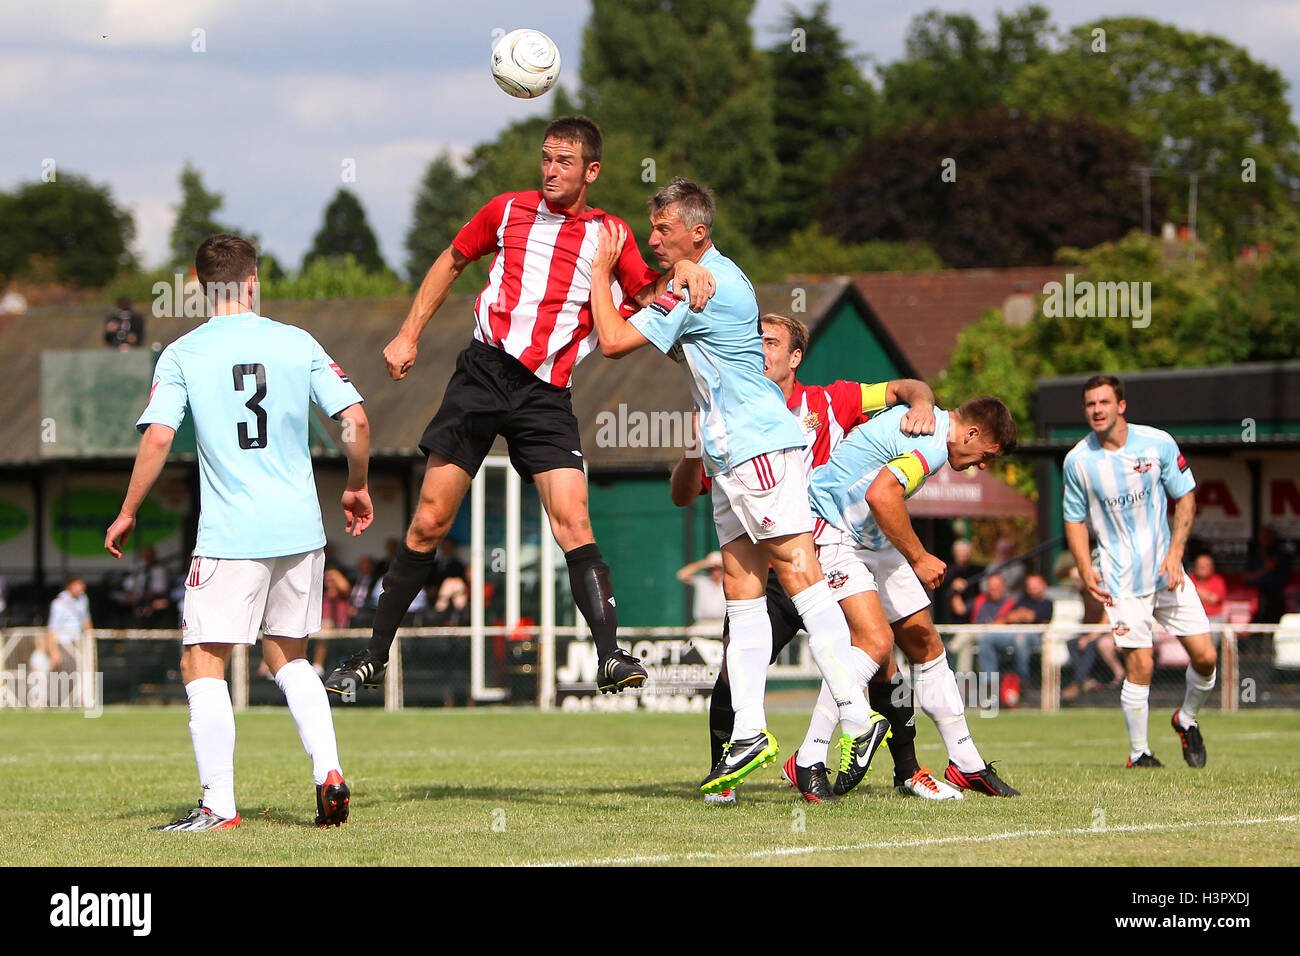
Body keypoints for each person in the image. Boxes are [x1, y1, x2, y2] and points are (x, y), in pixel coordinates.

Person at [325, 116, 717, 699]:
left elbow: (651, 299)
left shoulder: (610, 234)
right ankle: (373, 654)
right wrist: (409, 334)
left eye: (565, 162)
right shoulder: (506, 209)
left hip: (546, 393)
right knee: (429, 520)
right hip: (482, 375)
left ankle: (610, 655)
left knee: (573, 521)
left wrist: (685, 266)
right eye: (546, 158)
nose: (551, 170)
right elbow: (452, 260)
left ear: (592, 171)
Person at [589, 178, 884, 797]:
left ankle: (857, 717)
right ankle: (749, 730)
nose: (652, 239)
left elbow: (614, 343)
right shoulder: (705, 277)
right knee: (742, 595)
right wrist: (668, 277)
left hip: (758, 446)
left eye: (663, 229)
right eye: (651, 229)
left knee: (799, 575)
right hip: (730, 456)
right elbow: (677, 344)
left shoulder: (707, 283)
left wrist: (600, 267)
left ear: (697, 232)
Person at [104, 234, 374, 831]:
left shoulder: (181, 353)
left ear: (200, 287)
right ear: (253, 281)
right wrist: (356, 483)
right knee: (289, 658)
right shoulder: (296, 341)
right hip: (301, 530)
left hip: (231, 533)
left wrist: (127, 511)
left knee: (203, 660)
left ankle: (218, 806)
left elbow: (157, 436)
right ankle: (328, 771)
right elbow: (353, 417)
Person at [671, 314, 959, 803]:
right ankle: (723, 776)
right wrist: (693, 454)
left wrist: (925, 403)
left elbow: (904, 388)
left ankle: (906, 770)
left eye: (770, 342)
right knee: (736, 665)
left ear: (795, 356)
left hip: (823, 554)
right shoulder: (728, 417)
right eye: (753, 341)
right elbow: (682, 494)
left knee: (880, 654)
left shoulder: (830, 400)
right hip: (768, 575)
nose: (758, 350)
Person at [797, 395, 1023, 797]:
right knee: (873, 644)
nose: (984, 465)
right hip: (834, 532)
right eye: (986, 454)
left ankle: (966, 762)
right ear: (970, 433)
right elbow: (882, 495)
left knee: (925, 641)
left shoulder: (930, 423)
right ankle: (809, 756)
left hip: (872, 537)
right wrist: (919, 557)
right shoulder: (935, 445)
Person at [1063, 374, 1217, 769]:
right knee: (1141, 664)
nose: (1096, 410)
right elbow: (1075, 520)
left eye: (1104, 402)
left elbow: (1185, 498)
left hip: (1168, 573)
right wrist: (1084, 567)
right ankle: (1139, 754)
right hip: (1120, 580)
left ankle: (1186, 719)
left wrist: (1175, 553)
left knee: (1206, 659)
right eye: (1090, 405)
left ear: (1121, 405)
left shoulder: (1158, 443)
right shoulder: (1078, 461)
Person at [979, 573, 1053, 708]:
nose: (1033, 589)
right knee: (986, 638)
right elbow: (1010, 617)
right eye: (1030, 586)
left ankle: (1022, 681)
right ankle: (990, 683)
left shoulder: (1047, 603)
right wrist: (1021, 615)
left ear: (1043, 585)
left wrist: (1022, 615)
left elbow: (1034, 618)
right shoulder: (1022, 600)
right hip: (1013, 634)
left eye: (1036, 586)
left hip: (1036, 638)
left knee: (1021, 637)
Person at [29, 575, 93, 706]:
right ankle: (39, 699)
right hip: (63, 643)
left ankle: (83, 699)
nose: (82, 588)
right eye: (78, 585)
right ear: (70, 586)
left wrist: (91, 639)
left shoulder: (83, 599)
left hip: (78, 642)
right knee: (42, 667)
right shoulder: (59, 603)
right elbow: (52, 628)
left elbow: (86, 620)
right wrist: (54, 651)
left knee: (82, 672)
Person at [1242, 525, 1291, 624]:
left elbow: (1271, 565)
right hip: (1256, 594)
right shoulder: (1254, 555)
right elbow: (1245, 577)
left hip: (1275, 594)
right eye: (1263, 537)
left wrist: (1263, 551)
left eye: (1267, 536)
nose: (1265, 539)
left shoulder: (1280, 553)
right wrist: (1263, 570)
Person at [937, 539, 984, 625]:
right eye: (960, 554)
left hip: (975, 614)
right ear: (955, 555)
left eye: (965, 554)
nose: (963, 557)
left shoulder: (978, 571)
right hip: (953, 619)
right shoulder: (948, 572)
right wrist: (953, 587)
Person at [676, 551, 726, 628]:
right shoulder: (702, 581)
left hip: (722, 624)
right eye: (712, 568)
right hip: (703, 624)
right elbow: (681, 575)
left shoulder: (728, 583)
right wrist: (704, 563)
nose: (715, 572)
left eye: (718, 568)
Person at [1191, 553, 1227, 621]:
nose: (1202, 568)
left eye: (1205, 566)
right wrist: (1206, 595)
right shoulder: (1188, 579)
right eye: (1200, 565)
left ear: (1211, 567)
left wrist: (1195, 592)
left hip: (1213, 617)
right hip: (1192, 616)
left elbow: (1214, 599)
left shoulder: (1218, 580)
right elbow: (1186, 596)